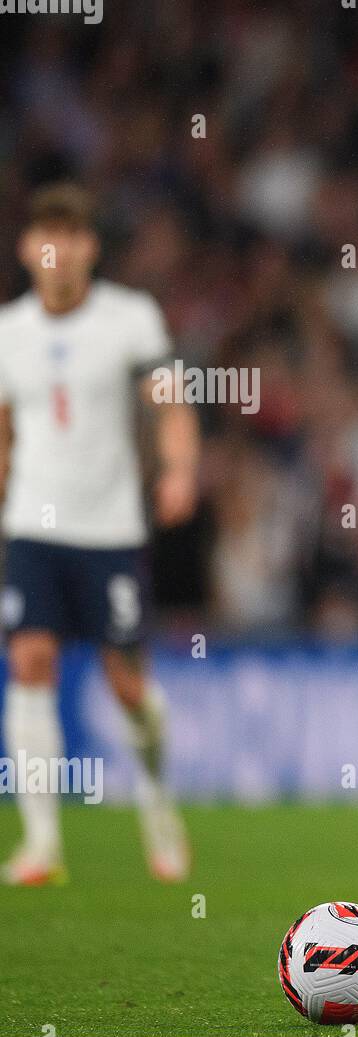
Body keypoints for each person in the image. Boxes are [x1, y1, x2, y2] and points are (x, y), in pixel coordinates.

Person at [0, 183, 198, 886]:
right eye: (44, 237)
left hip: (109, 528)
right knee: (29, 662)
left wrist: (177, 467)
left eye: (72, 237)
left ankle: (157, 803)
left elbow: (170, 404)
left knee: (125, 681)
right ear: (28, 249)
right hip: (31, 527)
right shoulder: (8, 333)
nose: (57, 252)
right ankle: (41, 843)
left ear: (90, 248)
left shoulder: (129, 318)